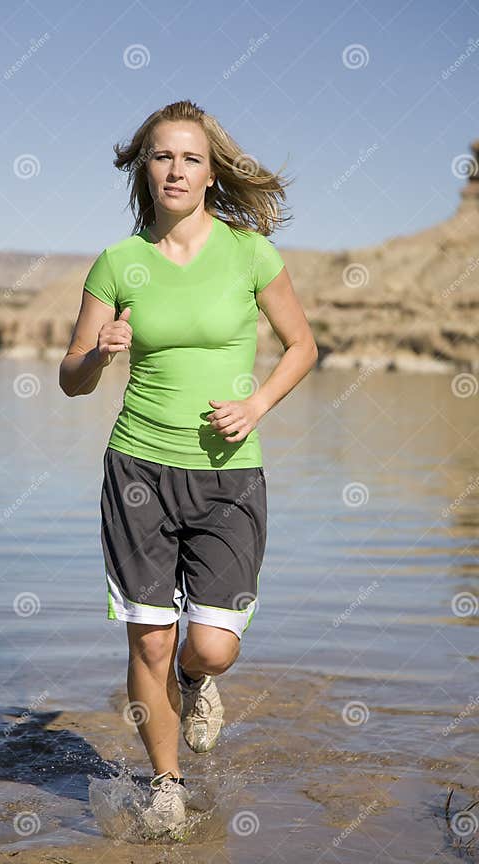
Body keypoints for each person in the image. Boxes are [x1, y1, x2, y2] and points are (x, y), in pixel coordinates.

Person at [59, 99, 318, 837]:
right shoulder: (118, 263)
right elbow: (70, 377)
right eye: (163, 155)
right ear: (146, 168)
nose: (176, 168)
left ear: (211, 174)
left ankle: (199, 683)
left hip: (230, 474)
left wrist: (257, 404)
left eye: (190, 157)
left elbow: (303, 346)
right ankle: (165, 784)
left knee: (209, 647)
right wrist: (98, 354)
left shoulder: (250, 254)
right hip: (139, 466)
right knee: (149, 637)